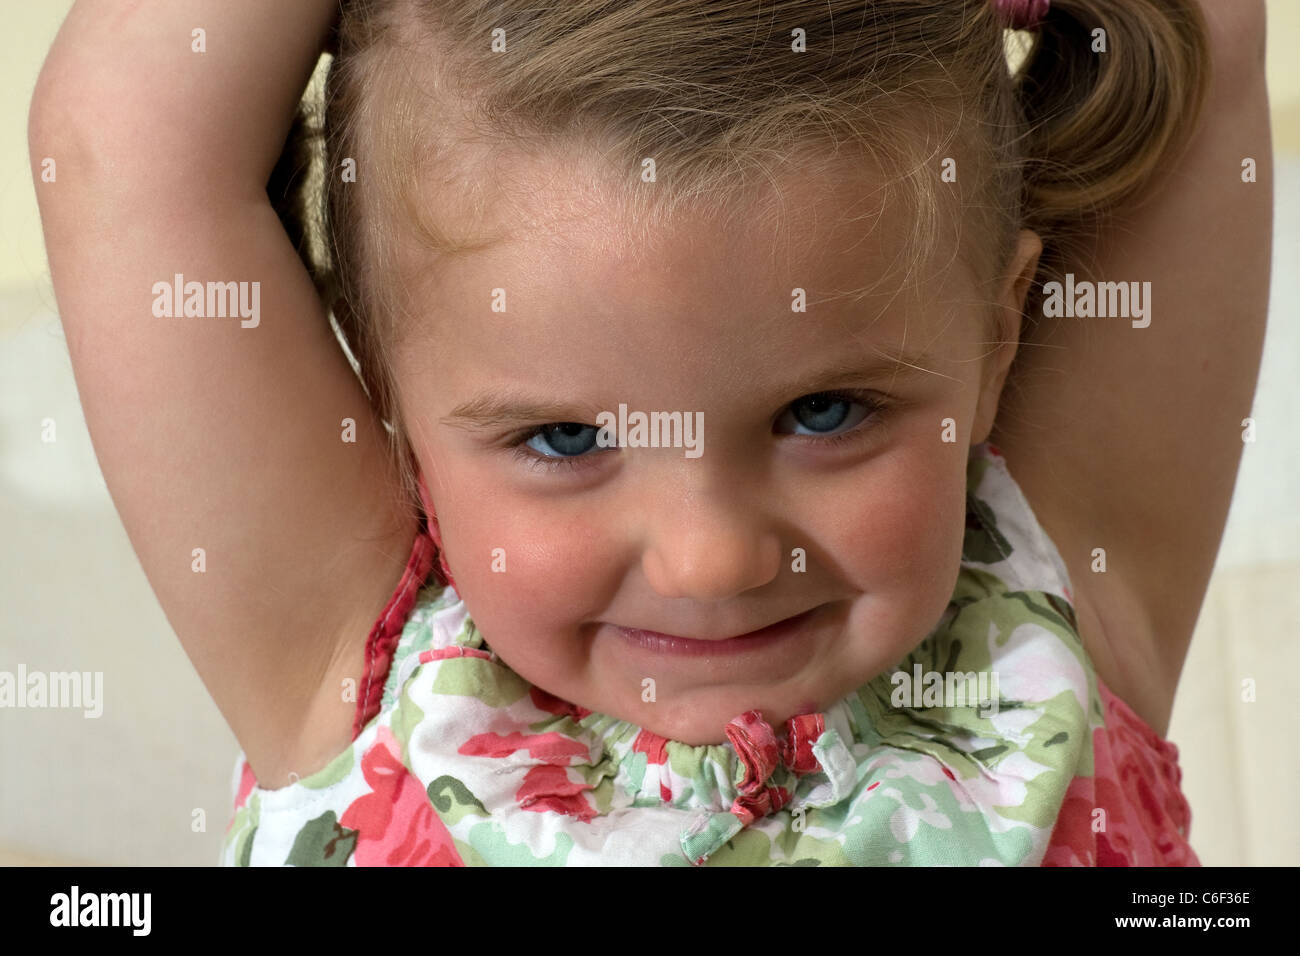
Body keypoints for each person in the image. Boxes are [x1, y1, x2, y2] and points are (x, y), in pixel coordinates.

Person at [30, 0, 1270, 865]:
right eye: (564, 439)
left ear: (996, 341)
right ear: (386, 398)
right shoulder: (355, 676)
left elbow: (1198, 33)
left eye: (823, 413)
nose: (708, 559)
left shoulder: (1051, 644)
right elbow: (124, 144)